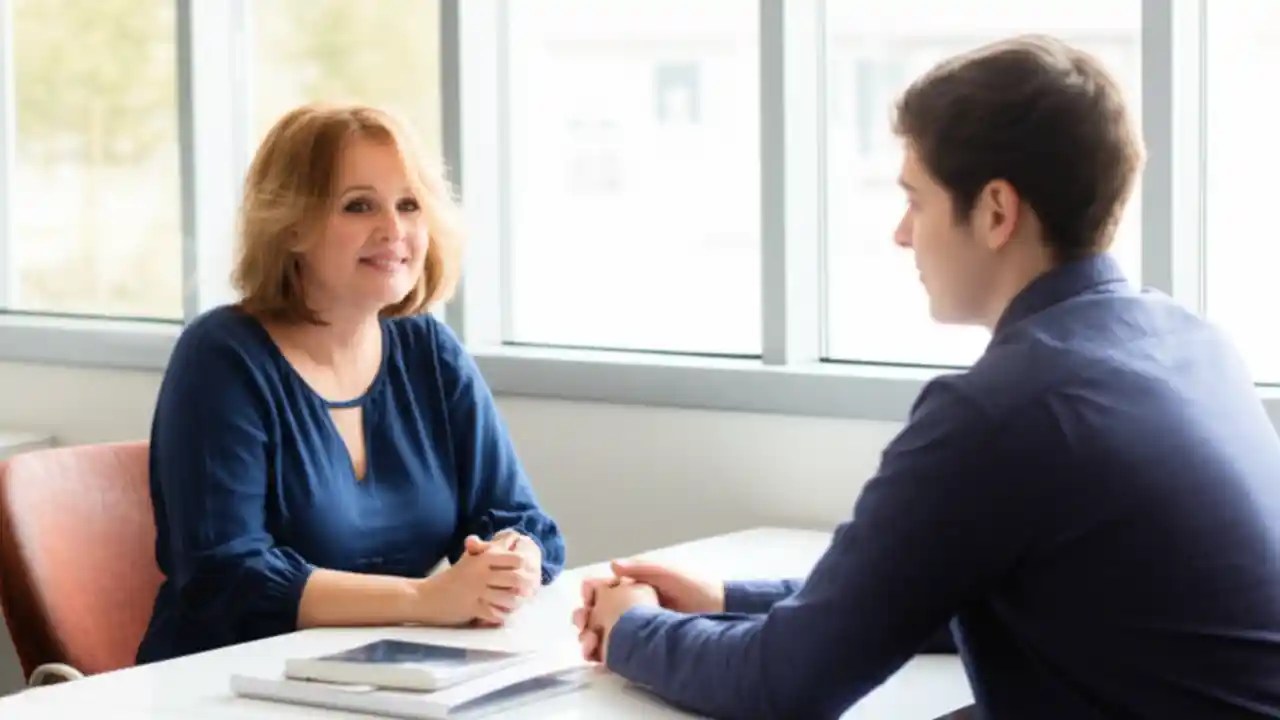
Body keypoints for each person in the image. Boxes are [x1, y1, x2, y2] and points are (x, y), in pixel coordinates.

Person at [573, 35, 1280, 719]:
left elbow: (779, 684)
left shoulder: (1004, 411)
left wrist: (629, 627)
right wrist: (728, 598)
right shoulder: (1192, 346)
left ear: (996, 211)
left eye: (916, 200)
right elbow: (936, 587)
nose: (902, 233)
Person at [137, 104, 565, 663]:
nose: (394, 230)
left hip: (385, 675)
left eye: (409, 205)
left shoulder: (429, 350)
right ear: (291, 225)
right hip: (219, 682)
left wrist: (516, 559)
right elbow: (227, 577)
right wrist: (426, 599)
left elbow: (518, 519)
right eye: (359, 205)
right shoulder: (221, 356)